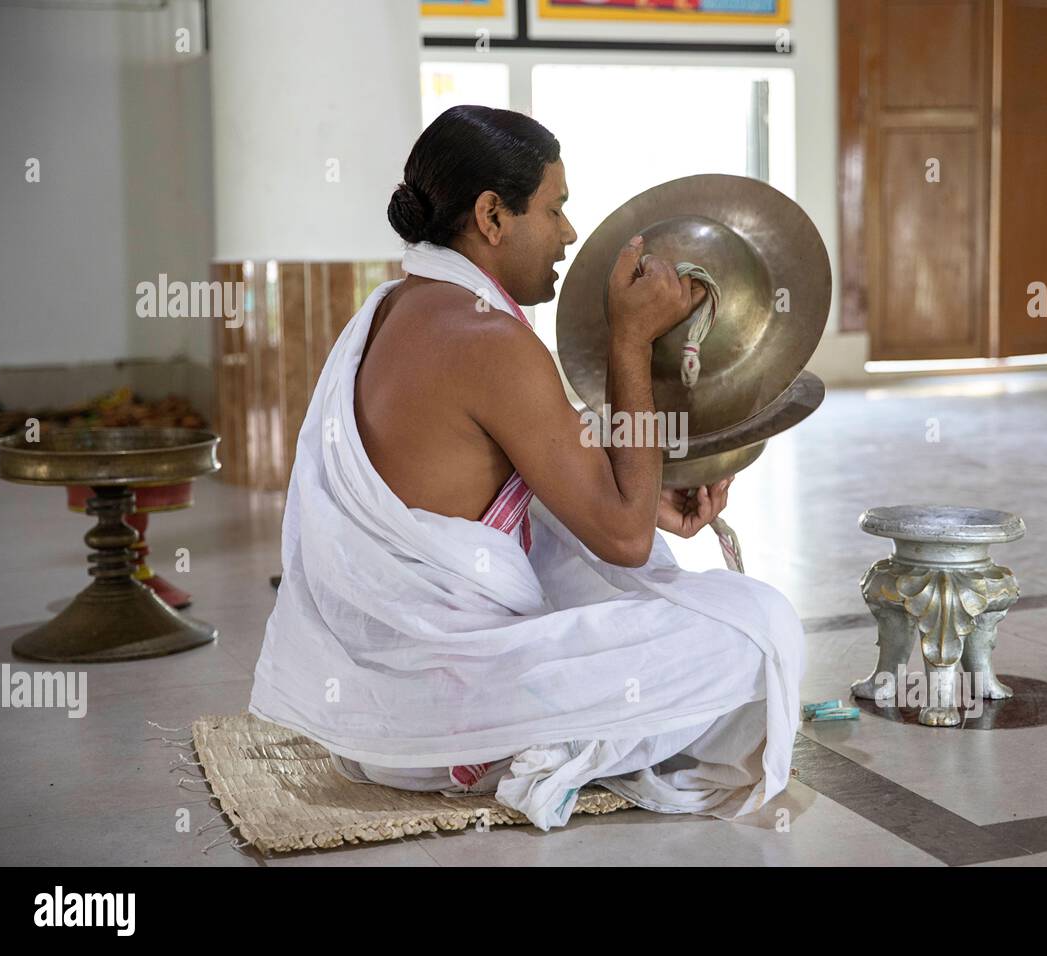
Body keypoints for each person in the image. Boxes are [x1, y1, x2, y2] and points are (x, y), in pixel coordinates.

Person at [248, 105, 806, 830]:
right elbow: (624, 538)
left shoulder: (399, 307)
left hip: (382, 713)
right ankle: (549, 749)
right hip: (456, 722)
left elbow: (525, 474)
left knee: (618, 564)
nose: (570, 234)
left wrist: (649, 499)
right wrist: (630, 340)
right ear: (492, 216)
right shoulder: (486, 340)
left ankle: (544, 727)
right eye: (555, 208)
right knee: (758, 624)